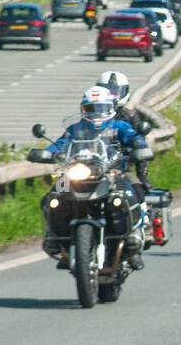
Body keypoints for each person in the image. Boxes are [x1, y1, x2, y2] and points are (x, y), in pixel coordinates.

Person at [42, 85, 149, 269]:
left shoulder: (119, 126)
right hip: (77, 173)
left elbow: (134, 137)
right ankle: (55, 236)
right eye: (91, 109)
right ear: (83, 109)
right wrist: (46, 153)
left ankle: (136, 233)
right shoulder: (75, 129)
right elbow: (60, 144)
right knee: (53, 196)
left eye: (101, 109)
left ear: (111, 108)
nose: (96, 114)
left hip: (114, 172)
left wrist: (139, 145)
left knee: (136, 189)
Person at [97, 70, 153, 187]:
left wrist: (142, 176)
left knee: (137, 187)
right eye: (107, 91)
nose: (112, 95)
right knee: (59, 190)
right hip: (90, 166)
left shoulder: (129, 116)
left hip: (118, 165)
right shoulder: (90, 116)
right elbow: (75, 136)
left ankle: (141, 202)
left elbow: (140, 142)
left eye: (115, 91)